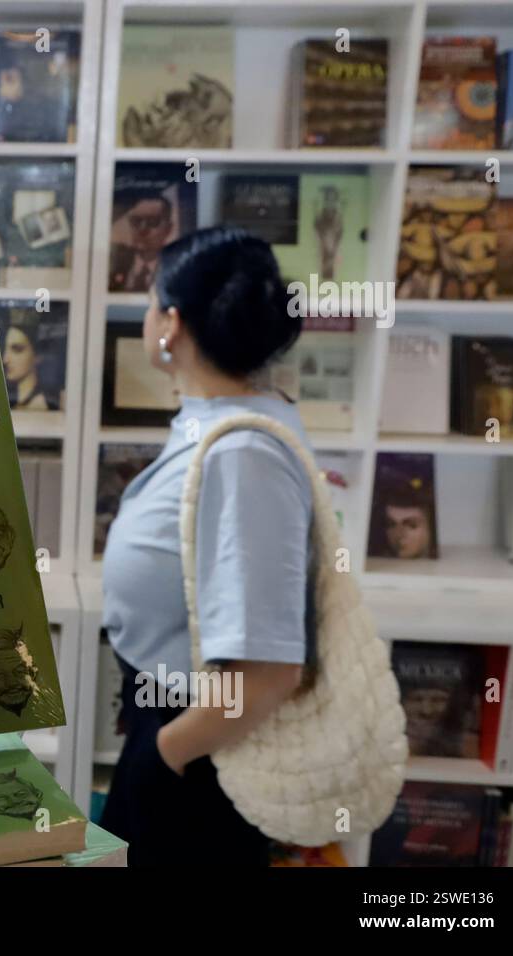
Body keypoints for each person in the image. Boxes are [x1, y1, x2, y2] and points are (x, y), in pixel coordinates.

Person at [99, 225, 311, 866]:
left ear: (172, 323)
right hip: (171, 731)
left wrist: (165, 756)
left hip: (196, 763)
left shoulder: (243, 453)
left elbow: (269, 673)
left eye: (150, 300)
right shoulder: (220, 424)